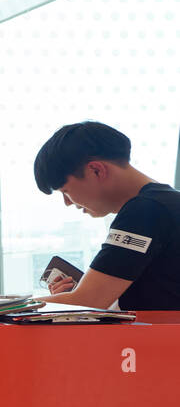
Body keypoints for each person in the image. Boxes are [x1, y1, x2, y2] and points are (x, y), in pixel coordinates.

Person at [33, 121, 180, 310]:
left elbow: (88, 301)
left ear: (96, 170)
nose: (67, 202)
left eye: (65, 191)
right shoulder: (166, 203)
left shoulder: (145, 210)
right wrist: (71, 298)